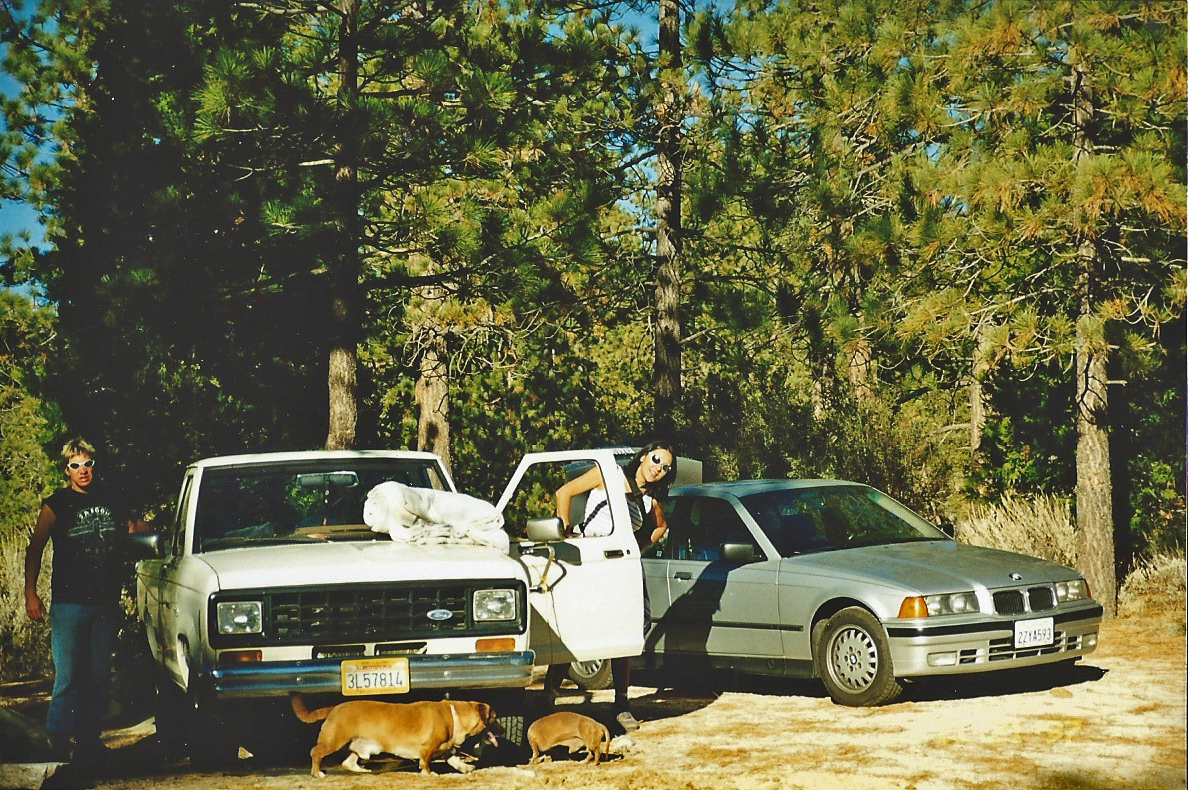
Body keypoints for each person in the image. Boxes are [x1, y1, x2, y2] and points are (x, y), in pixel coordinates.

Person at [24, 437, 143, 765]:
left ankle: (90, 741)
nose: (82, 470)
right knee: (69, 675)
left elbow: (134, 529)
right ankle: (58, 742)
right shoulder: (56, 504)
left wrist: (162, 529)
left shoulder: (111, 499)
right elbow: (35, 549)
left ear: (94, 465)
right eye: (75, 465)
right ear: (67, 470)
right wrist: (30, 593)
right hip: (68, 605)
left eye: (87, 463)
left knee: (98, 674)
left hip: (105, 603)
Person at [549, 441, 677, 733]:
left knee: (626, 628)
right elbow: (564, 493)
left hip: (620, 565)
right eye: (656, 460)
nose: (659, 468)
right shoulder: (609, 474)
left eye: (666, 467)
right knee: (575, 626)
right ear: (643, 457)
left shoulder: (648, 501)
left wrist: (638, 547)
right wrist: (565, 535)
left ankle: (621, 703)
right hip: (588, 559)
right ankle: (548, 696)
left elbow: (660, 527)